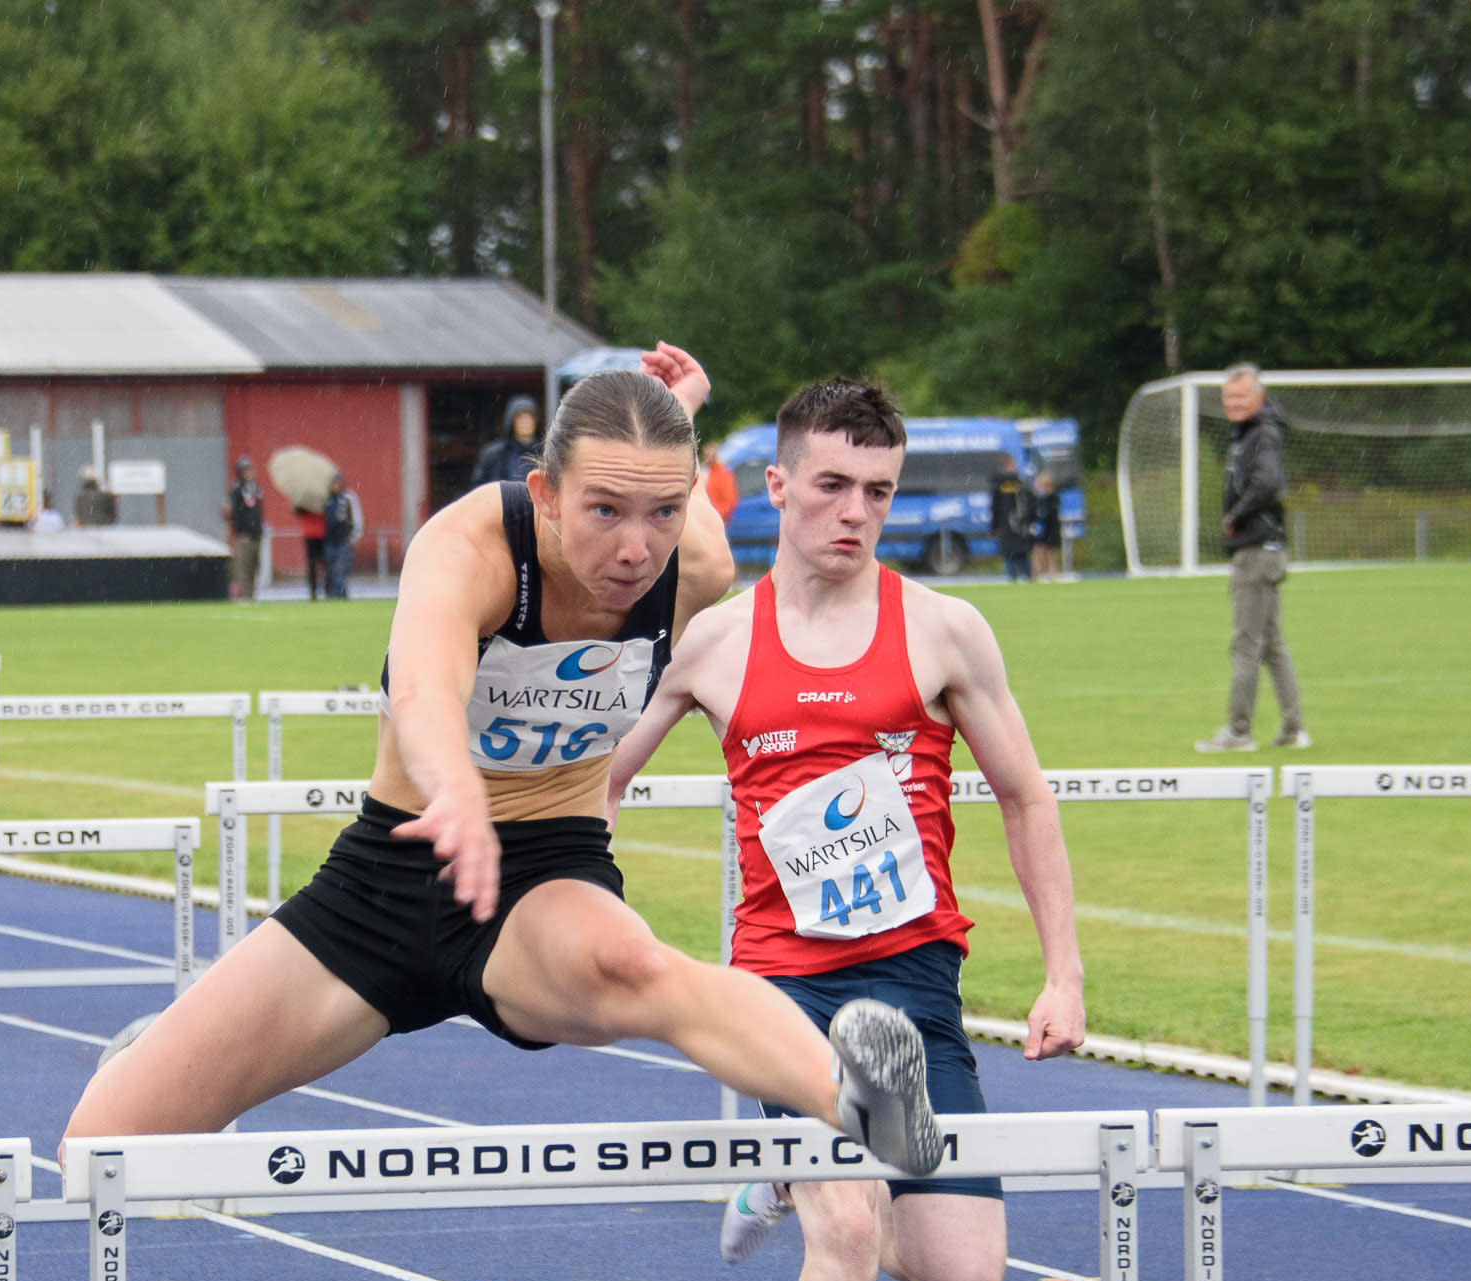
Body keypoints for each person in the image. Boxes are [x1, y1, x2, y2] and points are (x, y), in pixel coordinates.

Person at [64, 353, 948, 1219]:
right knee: (96, 1152)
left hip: (545, 872)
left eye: (663, 512)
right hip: (391, 878)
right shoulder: (471, 547)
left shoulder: (698, 568)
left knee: (636, 967)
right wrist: (453, 788)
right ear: (546, 493)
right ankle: (159, 1052)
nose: (635, 549)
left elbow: (654, 488)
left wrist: (673, 408)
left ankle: (858, 1095)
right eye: (603, 510)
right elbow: (424, 686)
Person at [608, 375, 1085, 1281]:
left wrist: (1064, 971)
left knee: (966, 1279)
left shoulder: (943, 631)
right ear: (775, 487)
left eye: (877, 490)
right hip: (780, 985)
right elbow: (593, 785)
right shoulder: (716, 642)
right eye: (830, 485)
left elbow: (1025, 795)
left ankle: (778, 1173)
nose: (855, 511)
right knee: (849, 1228)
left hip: (911, 985)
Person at [1196, 365, 1306, 751]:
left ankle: (1238, 732)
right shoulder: (1253, 433)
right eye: (1229, 397)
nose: (1234, 403)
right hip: (1266, 550)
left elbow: (1268, 484)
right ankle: (1293, 728)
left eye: (1241, 396)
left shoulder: (1262, 435)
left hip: (1256, 552)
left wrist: (1236, 515)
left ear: (1259, 397)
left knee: (1245, 643)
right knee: (1271, 644)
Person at [470, 396, 543, 489]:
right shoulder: (493, 455)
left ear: (536, 421)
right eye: (520, 418)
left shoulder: (547, 454)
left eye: (529, 417)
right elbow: (478, 488)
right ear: (511, 421)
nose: (525, 422)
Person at [224, 456, 262, 600]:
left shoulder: (254, 488)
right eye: (246, 470)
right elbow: (236, 513)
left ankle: (251, 595)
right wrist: (240, 532)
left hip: (255, 535)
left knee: (254, 567)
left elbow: (256, 511)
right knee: (243, 569)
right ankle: (246, 597)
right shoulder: (237, 490)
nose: (249, 473)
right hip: (244, 536)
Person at [987, 455, 1030, 582]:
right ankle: (1020, 577)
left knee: (1013, 553)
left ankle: (1017, 577)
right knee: (1016, 554)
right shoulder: (1017, 483)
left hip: (1010, 525)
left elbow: (994, 507)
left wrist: (994, 526)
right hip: (1012, 525)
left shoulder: (1001, 484)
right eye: (1012, 466)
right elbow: (995, 507)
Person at [320, 473, 359, 600]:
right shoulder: (326, 500)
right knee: (330, 570)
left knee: (340, 570)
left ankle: (341, 595)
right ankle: (332, 595)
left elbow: (357, 519)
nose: (335, 486)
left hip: (343, 541)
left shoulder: (347, 498)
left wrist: (353, 537)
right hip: (329, 540)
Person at [1028, 469, 1062, 581]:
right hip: (1037, 529)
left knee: (1049, 553)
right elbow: (1031, 513)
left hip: (1050, 529)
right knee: (1036, 552)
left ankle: (1053, 575)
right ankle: (1037, 576)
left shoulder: (1053, 498)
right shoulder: (1034, 499)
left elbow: (1051, 513)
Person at [702, 439, 739, 521]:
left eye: (711, 455)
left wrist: (720, 515)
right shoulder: (703, 471)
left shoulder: (723, 473)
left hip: (718, 518)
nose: (709, 458)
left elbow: (731, 500)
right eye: (706, 455)